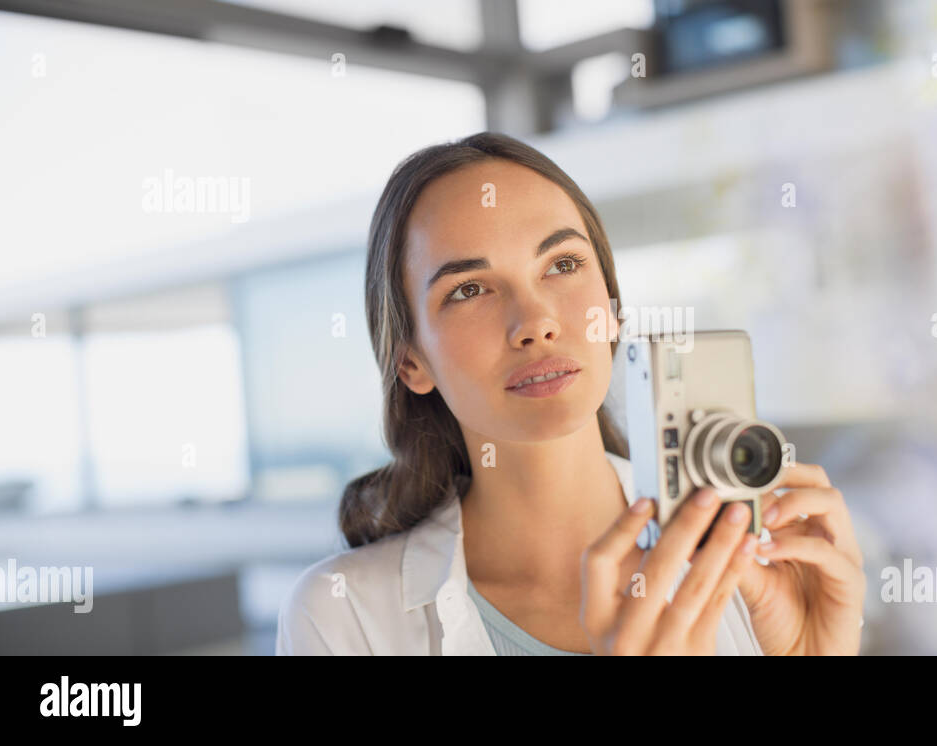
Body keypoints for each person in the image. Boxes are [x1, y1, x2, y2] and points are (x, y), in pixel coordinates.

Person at [275, 132, 866, 655]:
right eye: (470, 288)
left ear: (611, 310)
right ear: (410, 362)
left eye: (562, 265)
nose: (535, 322)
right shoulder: (341, 616)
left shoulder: (757, 569)